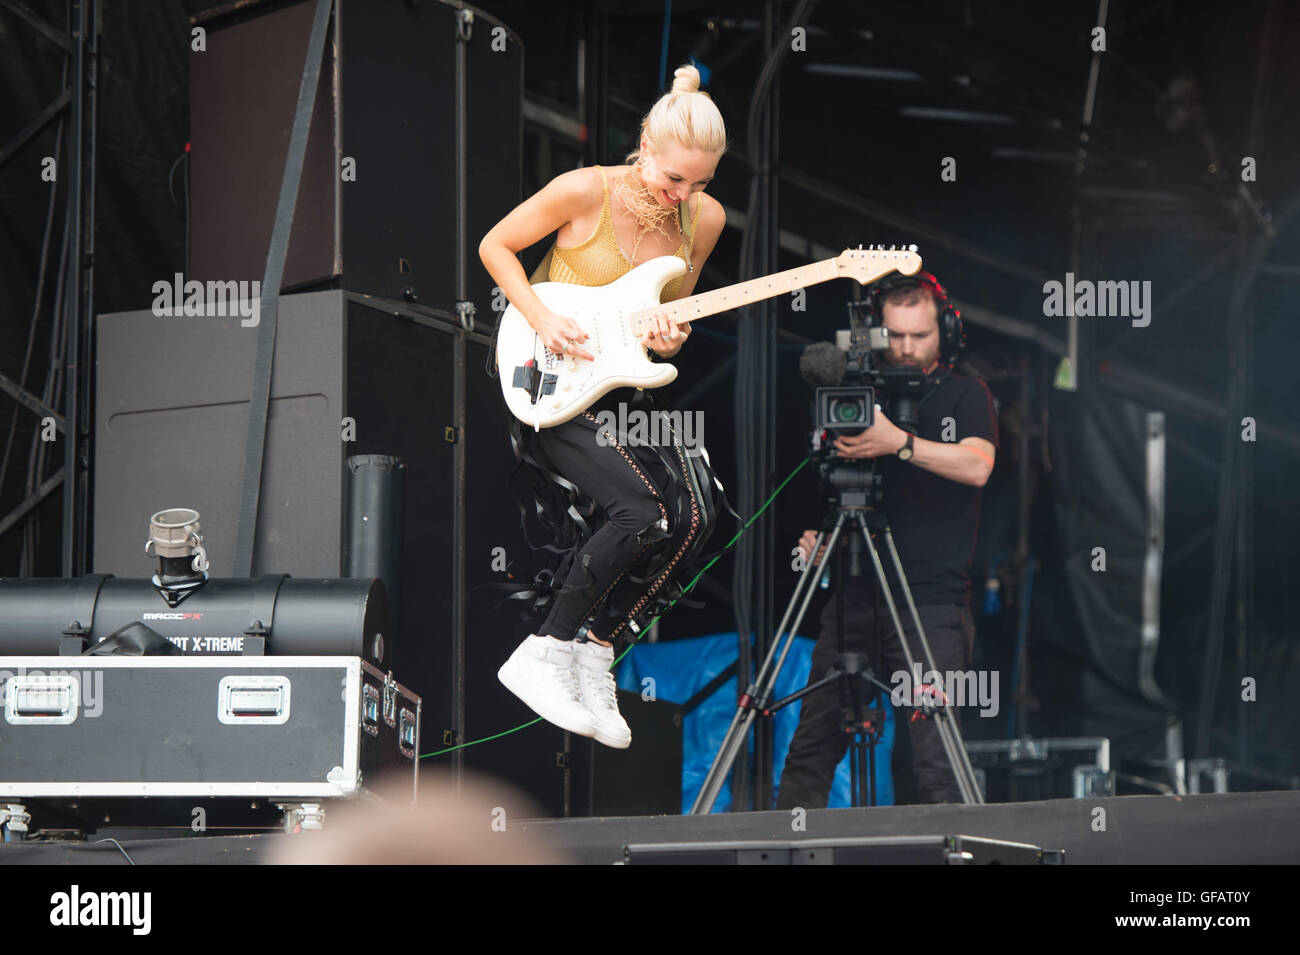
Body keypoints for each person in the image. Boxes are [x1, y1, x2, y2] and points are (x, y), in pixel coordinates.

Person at [478, 65, 728, 750]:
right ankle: (544, 649)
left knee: (695, 518)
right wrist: (540, 314)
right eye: (674, 178)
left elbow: (669, 311)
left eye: (701, 183)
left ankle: (594, 650)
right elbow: (495, 245)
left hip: (619, 386)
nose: (684, 196)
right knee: (642, 510)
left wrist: (671, 334)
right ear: (645, 144)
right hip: (547, 373)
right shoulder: (585, 188)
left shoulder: (703, 218)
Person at [775, 273, 998, 806]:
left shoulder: (967, 394)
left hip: (930, 605)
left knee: (936, 759)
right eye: (895, 335)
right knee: (809, 753)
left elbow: (977, 465)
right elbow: (835, 485)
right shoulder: (858, 397)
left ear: (945, 332)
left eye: (919, 335)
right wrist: (822, 542)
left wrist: (899, 442)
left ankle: (953, 846)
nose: (906, 348)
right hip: (853, 597)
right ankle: (785, 843)